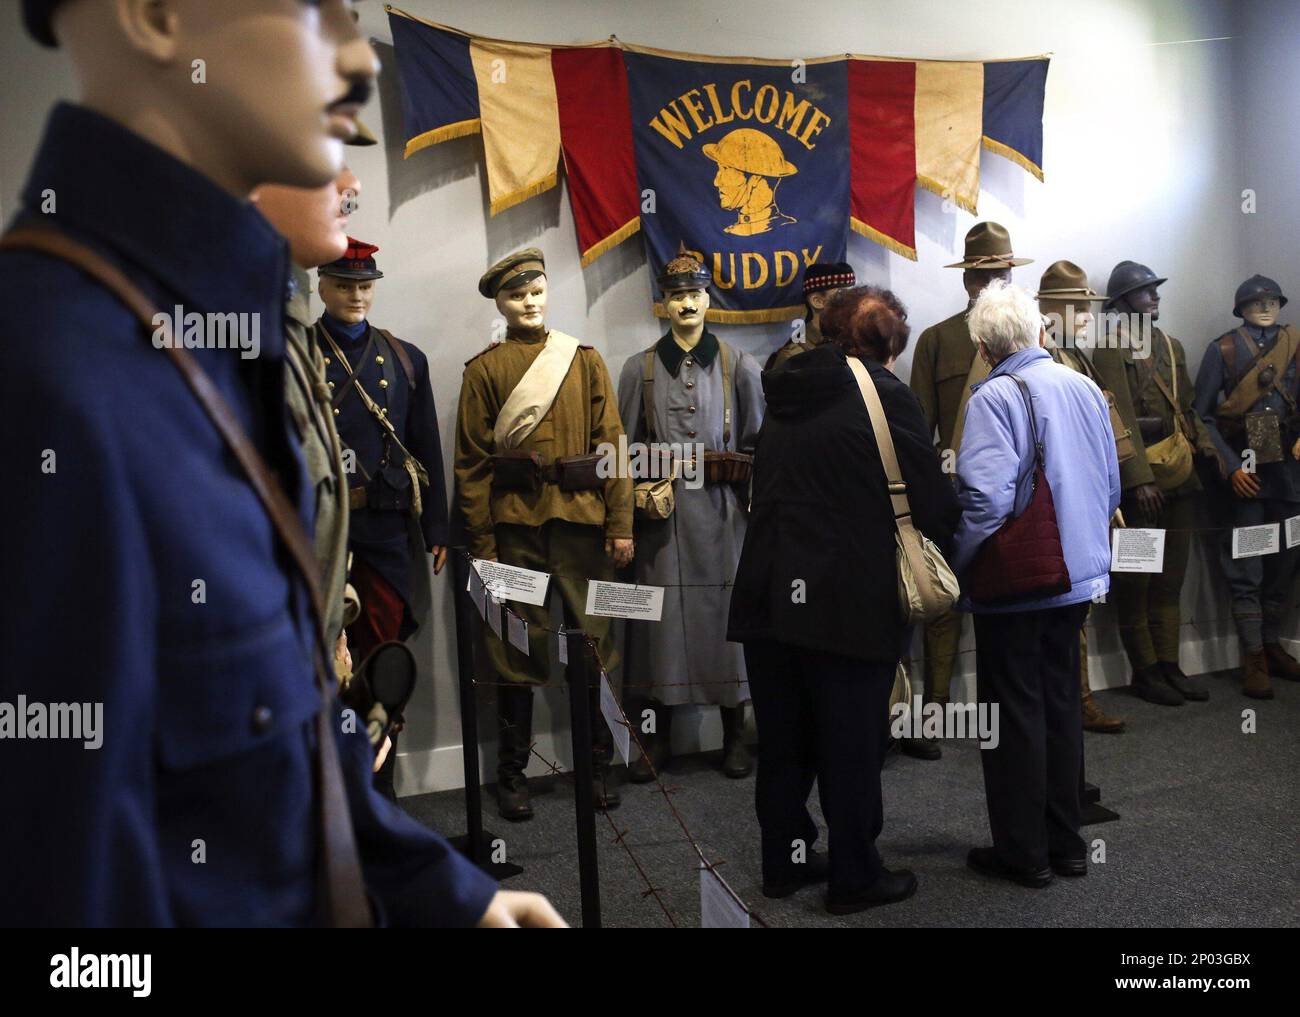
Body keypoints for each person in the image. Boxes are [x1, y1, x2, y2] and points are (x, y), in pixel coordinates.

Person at [1, 0, 560, 928]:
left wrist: (440, 896)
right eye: (319, 13)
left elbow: (276, 739)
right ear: (153, 17)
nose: (359, 64)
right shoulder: (49, 378)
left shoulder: (220, 341)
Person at [728, 285, 959, 914]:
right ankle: (856, 877)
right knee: (852, 744)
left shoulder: (785, 387)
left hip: (768, 595)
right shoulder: (885, 395)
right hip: (847, 600)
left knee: (784, 743)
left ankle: (785, 863)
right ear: (891, 344)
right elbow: (932, 503)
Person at [951, 281, 1120, 888]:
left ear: (983, 345)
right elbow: (1110, 483)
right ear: (1041, 331)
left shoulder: (994, 396)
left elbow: (984, 499)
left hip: (1017, 582)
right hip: (1078, 575)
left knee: (1012, 714)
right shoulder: (1082, 387)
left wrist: (960, 560)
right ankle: (1068, 844)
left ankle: (1024, 854)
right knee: (1060, 705)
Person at [455, 248, 634, 820]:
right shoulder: (484, 370)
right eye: (515, 296)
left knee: (596, 644)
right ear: (501, 304)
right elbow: (472, 464)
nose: (527, 302)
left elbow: (612, 446)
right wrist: (481, 546)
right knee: (513, 645)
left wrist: (621, 522)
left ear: (546, 292)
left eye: (535, 292)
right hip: (514, 530)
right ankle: (512, 774)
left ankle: (599, 767)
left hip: (582, 524)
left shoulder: (583, 360)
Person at [617, 249, 764, 782]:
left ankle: (735, 736)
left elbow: (758, 446)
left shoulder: (739, 364)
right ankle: (655, 739)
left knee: (728, 624)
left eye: (694, 294)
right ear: (664, 302)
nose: (686, 303)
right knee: (659, 626)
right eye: (676, 295)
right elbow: (623, 451)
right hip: (663, 518)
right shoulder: (640, 369)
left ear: (708, 299)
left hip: (724, 517)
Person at [315, 237, 449, 799]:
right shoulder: (295, 351)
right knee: (318, 658)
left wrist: (438, 527)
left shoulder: (405, 357)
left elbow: (426, 445)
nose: (356, 294)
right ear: (321, 285)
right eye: (344, 284)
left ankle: (381, 788)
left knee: (381, 660)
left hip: (388, 532)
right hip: (318, 532)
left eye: (365, 284)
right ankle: (328, 795)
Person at [906, 221, 1032, 760]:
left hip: (1023, 497)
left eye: (1001, 271)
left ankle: (1009, 714)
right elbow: (917, 428)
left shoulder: (1031, 336)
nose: (992, 281)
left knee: (1016, 602)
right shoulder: (937, 340)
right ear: (966, 281)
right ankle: (934, 712)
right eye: (982, 273)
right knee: (943, 607)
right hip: (958, 491)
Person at [1093, 260, 1218, 706]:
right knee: (1136, 581)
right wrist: (1138, 480)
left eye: (1155, 290)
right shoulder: (1108, 349)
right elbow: (1118, 418)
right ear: (1124, 301)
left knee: (1170, 580)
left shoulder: (1172, 346)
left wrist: (1210, 455)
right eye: (1146, 291)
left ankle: (1169, 665)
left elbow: (1185, 409)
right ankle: (1145, 671)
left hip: (1179, 476)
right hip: (1140, 482)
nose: (1156, 296)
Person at [1193, 274, 1300, 699]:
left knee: (1287, 561)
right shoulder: (1223, 348)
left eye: (1272, 299)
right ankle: (1253, 655)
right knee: (1248, 565)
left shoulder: (1295, 344)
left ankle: (1272, 644)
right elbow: (1200, 415)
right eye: (1256, 301)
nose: (1266, 306)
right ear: (1241, 308)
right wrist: (1232, 466)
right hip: (1248, 476)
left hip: (1288, 475)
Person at [1036, 261, 1130, 733]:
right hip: (1061, 499)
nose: (1088, 316)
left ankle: (1077, 698)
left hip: (1086, 495)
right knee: (1066, 602)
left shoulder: (1077, 356)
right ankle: (1073, 700)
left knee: (1080, 601)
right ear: (1053, 309)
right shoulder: (1044, 358)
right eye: (1080, 308)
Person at [765, 262, 856, 371]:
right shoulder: (794, 358)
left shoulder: (858, 343)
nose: (855, 304)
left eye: (855, 295)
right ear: (817, 301)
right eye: (842, 296)